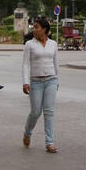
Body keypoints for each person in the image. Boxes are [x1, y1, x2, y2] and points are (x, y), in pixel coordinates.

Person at [21, 16, 59, 152]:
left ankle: (49, 142)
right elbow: (25, 64)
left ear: (45, 29)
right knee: (36, 112)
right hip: (35, 81)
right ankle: (27, 132)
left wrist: (57, 80)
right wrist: (25, 82)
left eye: (37, 27)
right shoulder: (29, 44)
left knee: (49, 112)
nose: (34, 30)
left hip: (51, 80)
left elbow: (55, 63)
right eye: (33, 27)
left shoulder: (53, 44)